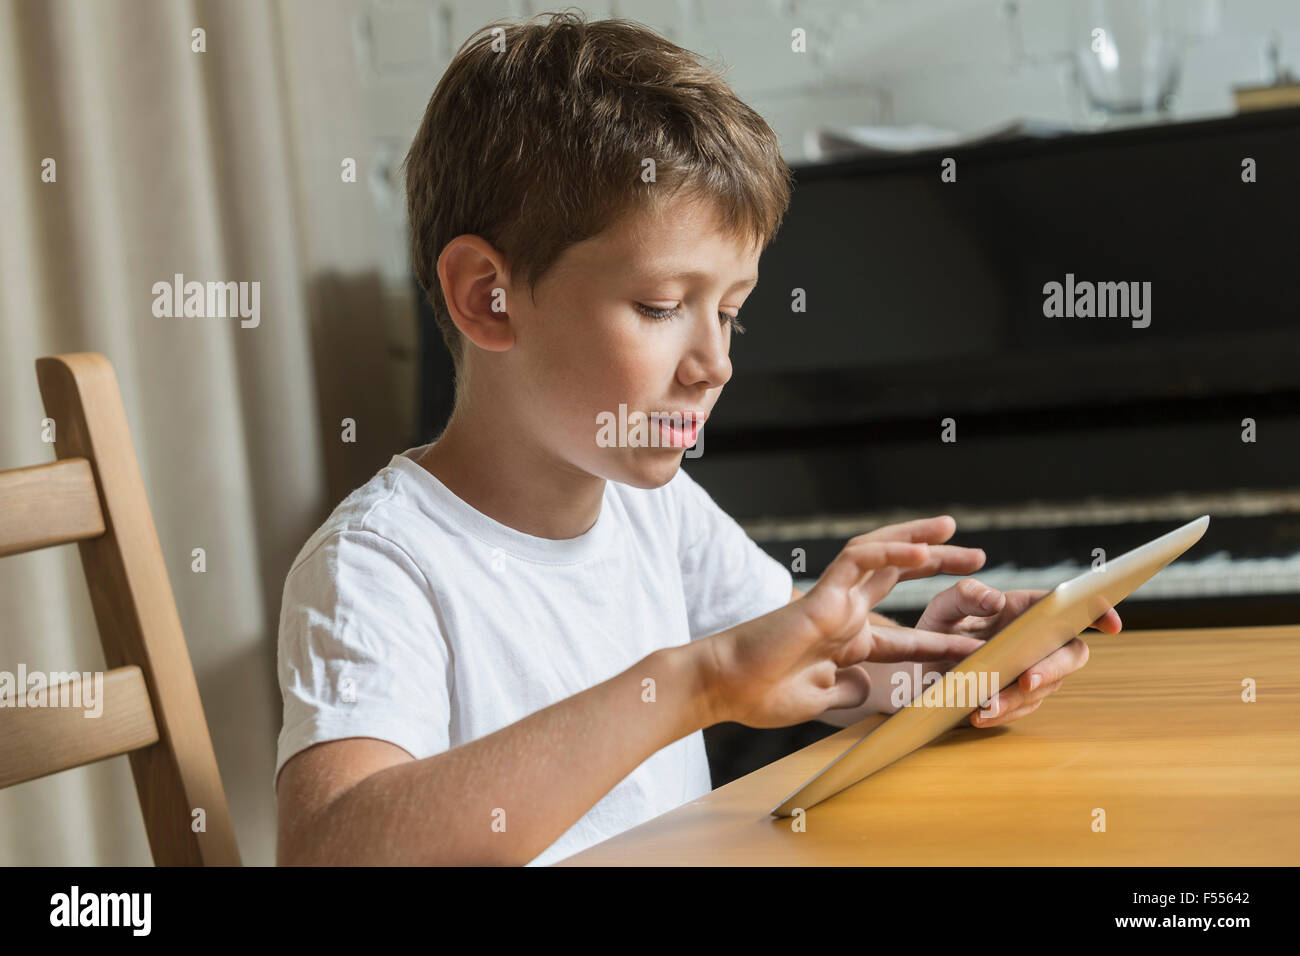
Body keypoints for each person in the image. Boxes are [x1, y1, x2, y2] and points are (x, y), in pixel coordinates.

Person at [274, 11, 1119, 867]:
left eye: (730, 312)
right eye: (659, 307)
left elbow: (792, 676)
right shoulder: (380, 565)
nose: (713, 364)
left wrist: (948, 672)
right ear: (487, 297)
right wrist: (690, 683)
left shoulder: (660, 512)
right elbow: (332, 849)